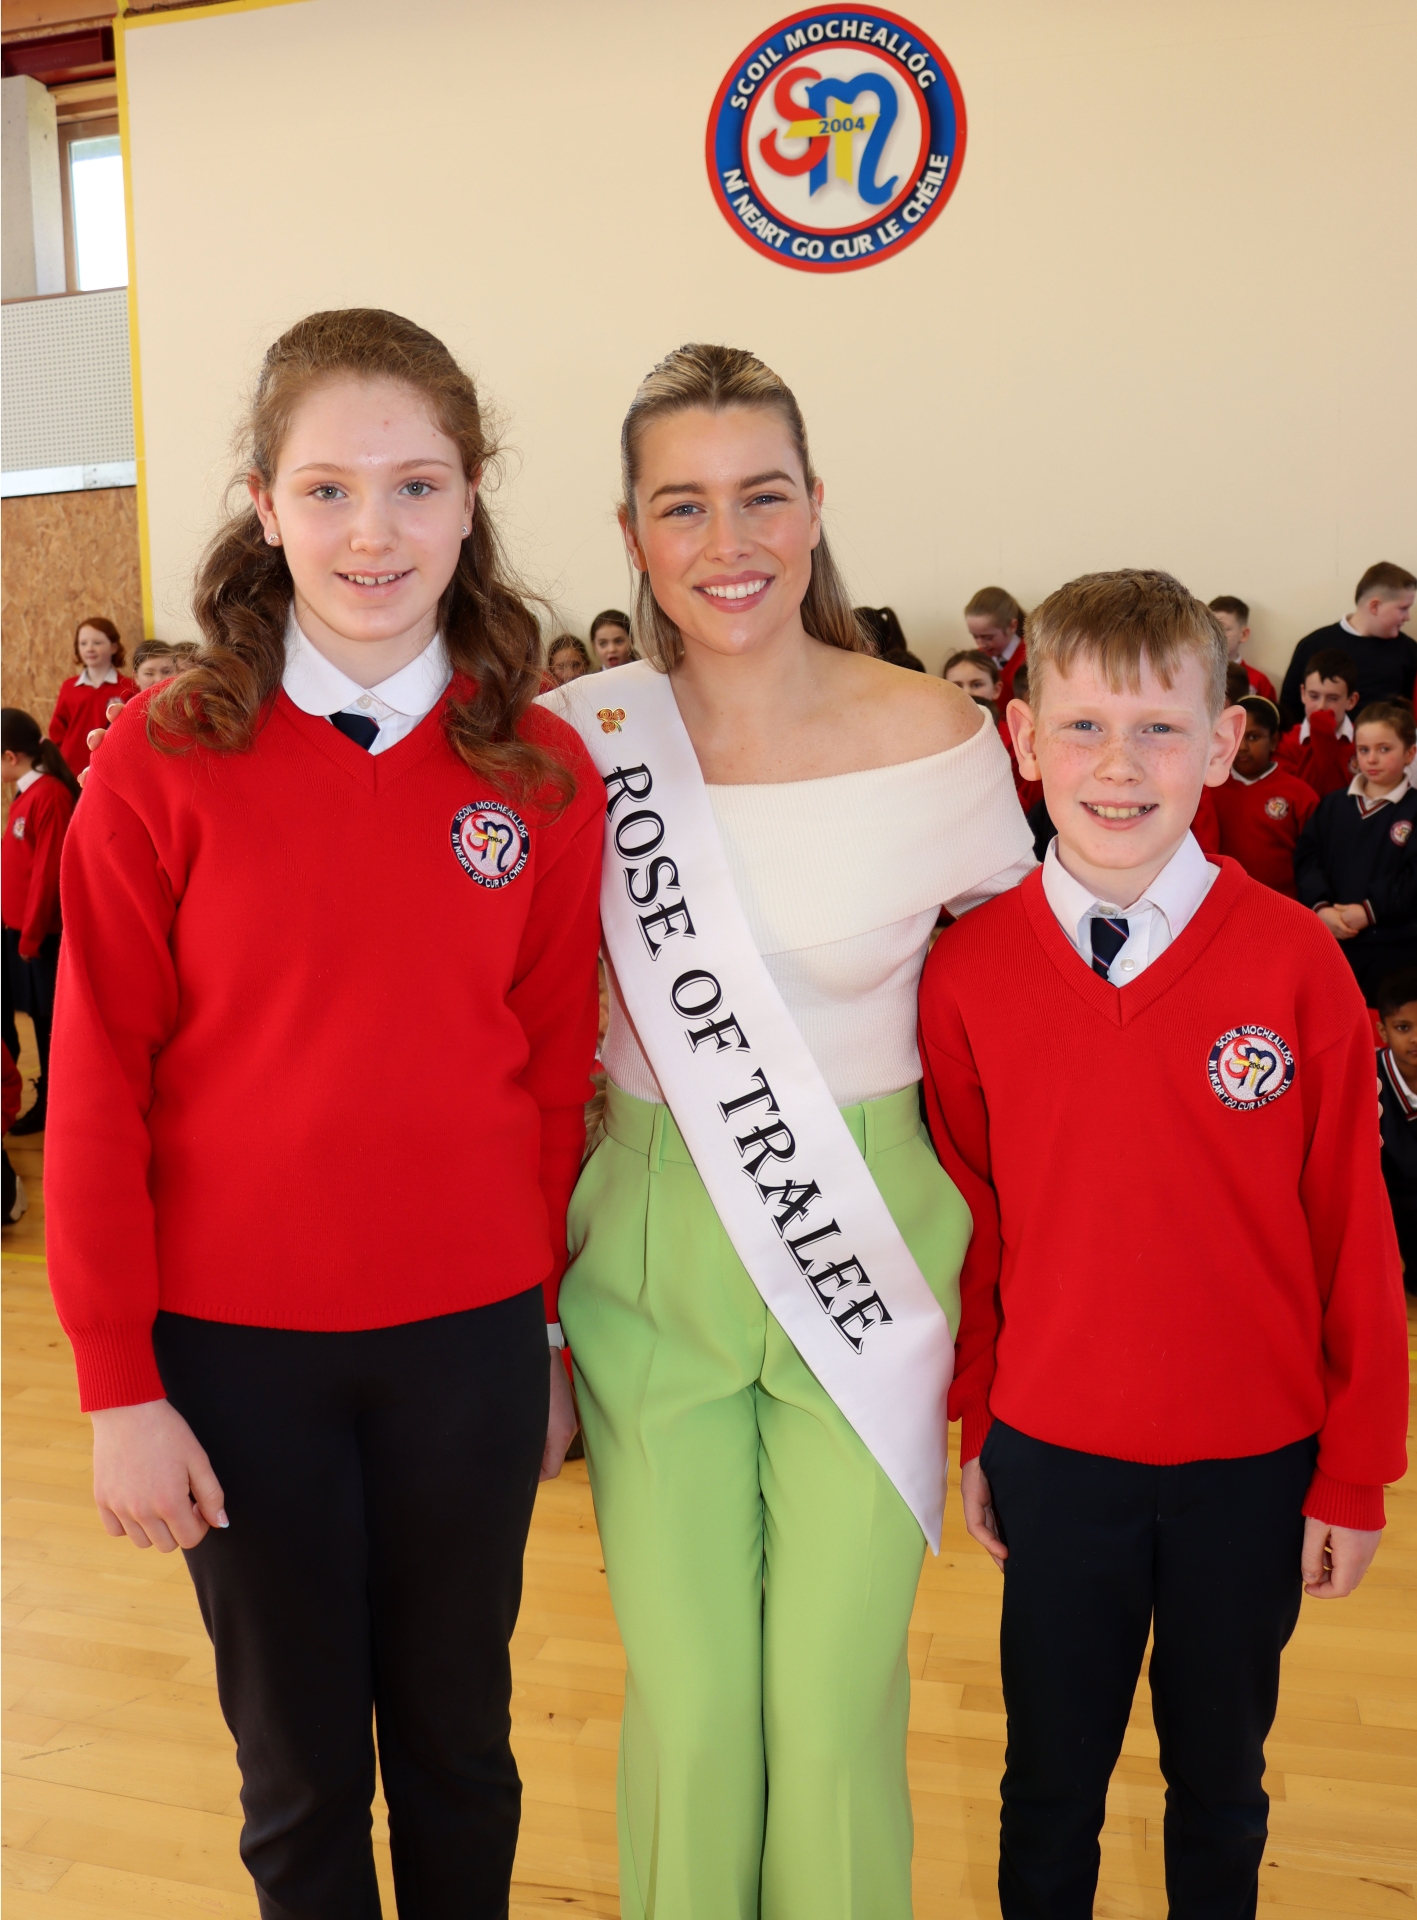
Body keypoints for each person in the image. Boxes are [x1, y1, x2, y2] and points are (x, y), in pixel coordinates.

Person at [44, 308, 604, 1919]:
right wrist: (118, 1390)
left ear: (472, 500)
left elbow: (555, 1080)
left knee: (461, 1751)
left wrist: (547, 1339)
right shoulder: (158, 764)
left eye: (419, 485)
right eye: (332, 488)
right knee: (296, 1782)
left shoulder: (540, 771)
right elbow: (96, 1091)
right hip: (234, 1358)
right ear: (263, 501)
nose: (376, 531)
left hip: (469, 1349)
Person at [541, 342, 1036, 1920]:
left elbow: (1017, 1048)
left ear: (816, 508)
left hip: (869, 1240)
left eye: (762, 496)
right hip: (643, 1246)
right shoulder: (578, 744)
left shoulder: (943, 744)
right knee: (693, 1720)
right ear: (631, 534)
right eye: (681, 506)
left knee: (826, 1721)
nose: (727, 541)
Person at [917, 567, 1409, 1920]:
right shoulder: (966, 974)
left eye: (1154, 731)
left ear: (1221, 742)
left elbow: (1351, 1231)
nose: (1116, 767)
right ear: (1020, 740)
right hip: (1054, 1452)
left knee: (1221, 1784)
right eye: (1079, 727)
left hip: (1250, 1468)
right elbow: (971, 1227)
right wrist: (976, 1423)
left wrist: (1356, 1471)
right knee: (1048, 1787)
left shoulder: (1295, 962)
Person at [1295, 699, 1417, 1005]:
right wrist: (1321, 908)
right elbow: (1308, 859)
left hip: (1394, 948)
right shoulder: (1334, 805)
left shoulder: (1414, 809)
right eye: (1364, 750)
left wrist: (1368, 910)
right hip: (1333, 941)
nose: (1372, 759)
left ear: (1410, 753)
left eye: (1384, 749)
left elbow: (1413, 878)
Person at [1, 708, 80, 1137]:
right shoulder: (25, 794)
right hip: (18, 935)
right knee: (32, 1021)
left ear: (11, 757)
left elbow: (49, 875)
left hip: (39, 941)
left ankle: (53, 1103)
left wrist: (29, 938)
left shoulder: (48, 796)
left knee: (50, 1028)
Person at [1278, 562, 1417, 725]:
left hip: (1384, 747)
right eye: (1403, 608)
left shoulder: (1409, 650)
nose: (1407, 617)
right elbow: (1289, 709)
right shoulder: (1314, 644)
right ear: (1375, 606)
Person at [1211, 696, 1318, 896]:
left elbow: (1314, 859)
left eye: (1253, 737)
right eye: (1237, 736)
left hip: (1283, 904)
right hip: (1221, 898)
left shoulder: (1299, 795)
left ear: (1274, 741)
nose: (1242, 747)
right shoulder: (1210, 788)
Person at [48, 616, 137, 776]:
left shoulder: (128, 687)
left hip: (111, 770)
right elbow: (57, 729)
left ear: (114, 647)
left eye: (97, 643)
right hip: (71, 770)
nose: (89, 648)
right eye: (83, 643)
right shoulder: (69, 687)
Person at [1376, 967, 1417, 1291]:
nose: (1416, 1038)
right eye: (1404, 1027)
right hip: (1389, 1213)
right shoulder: (1366, 1073)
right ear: (1383, 1030)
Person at [1276, 648, 1360, 797]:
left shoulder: (1363, 740)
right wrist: (1322, 737)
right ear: (1303, 694)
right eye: (1314, 696)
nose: (1321, 706)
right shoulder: (1286, 742)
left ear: (1351, 701)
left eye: (1333, 698)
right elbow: (1297, 797)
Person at [965, 585, 1028, 707]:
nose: (981, 644)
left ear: (1012, 626)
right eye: (975, 636)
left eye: (988, 638)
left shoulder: (1031, 656)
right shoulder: (979, 659)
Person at [1208, 594, 1276, 700]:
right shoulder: (1194, 673)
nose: (1215, 634)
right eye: (1210, 627)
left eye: (1224, 629)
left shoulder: (1258, 682)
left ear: (1244, 634)